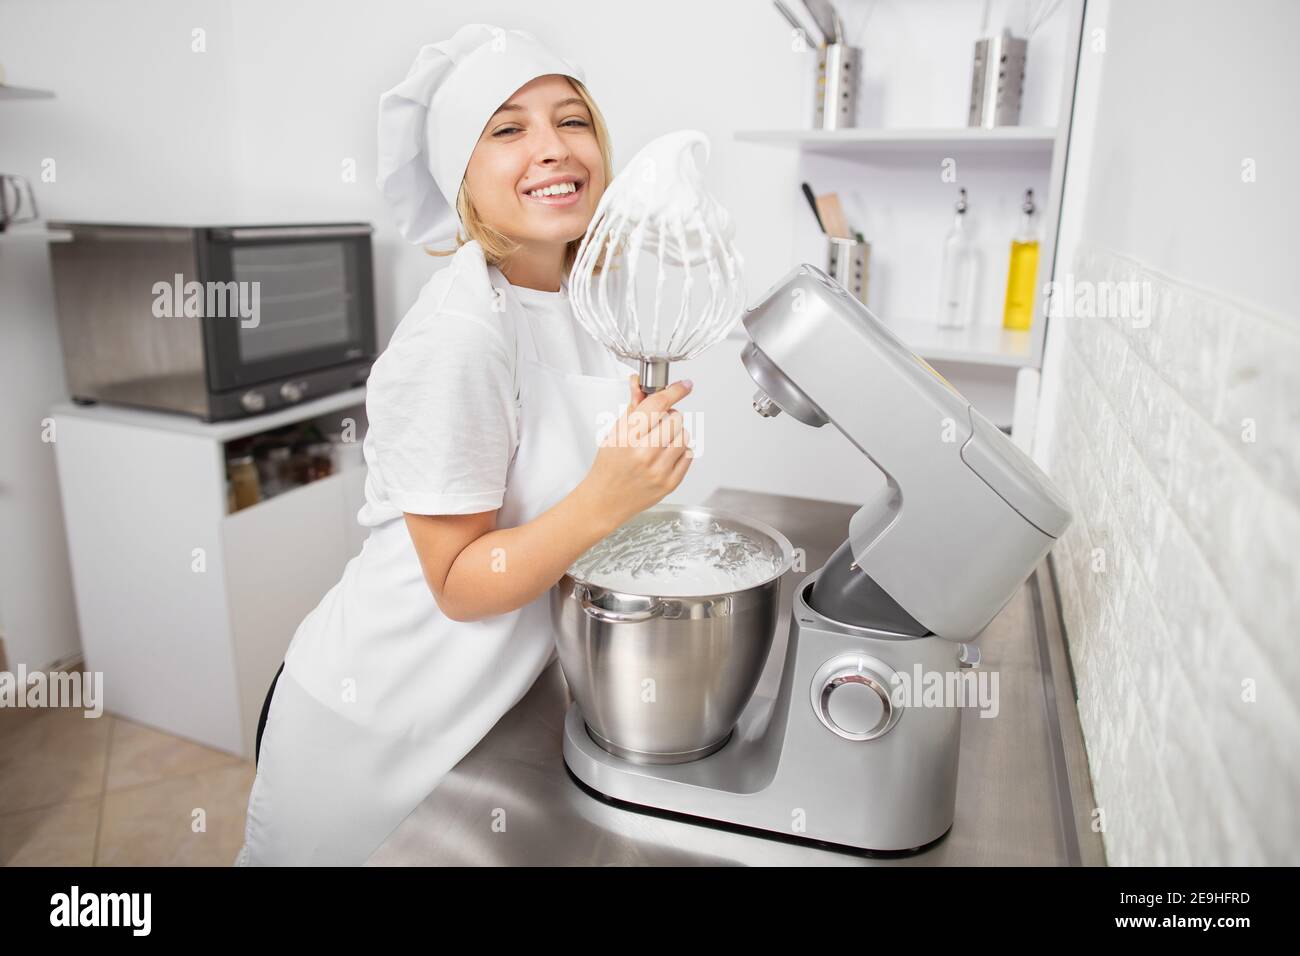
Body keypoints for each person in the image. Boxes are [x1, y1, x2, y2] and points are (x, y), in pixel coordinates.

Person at [236, 23, 693, 865]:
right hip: (372, 728)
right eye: (508, 129)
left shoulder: (590, 299)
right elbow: (455, 581)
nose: (552, 150)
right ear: (464, 176)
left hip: (480, 712)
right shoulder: (461, 332)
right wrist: (606, 495)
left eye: (572, 121)